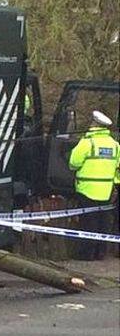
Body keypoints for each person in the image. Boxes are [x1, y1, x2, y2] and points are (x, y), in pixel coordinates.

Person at [68, 110, 120, 260]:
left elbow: (73, 163)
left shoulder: (87, 142)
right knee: (103, 221)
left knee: (88, 222)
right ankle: (100, 253)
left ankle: (87, 254)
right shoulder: (115, 145)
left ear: (93, 124)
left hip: (86, 189)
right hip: (106, 190)